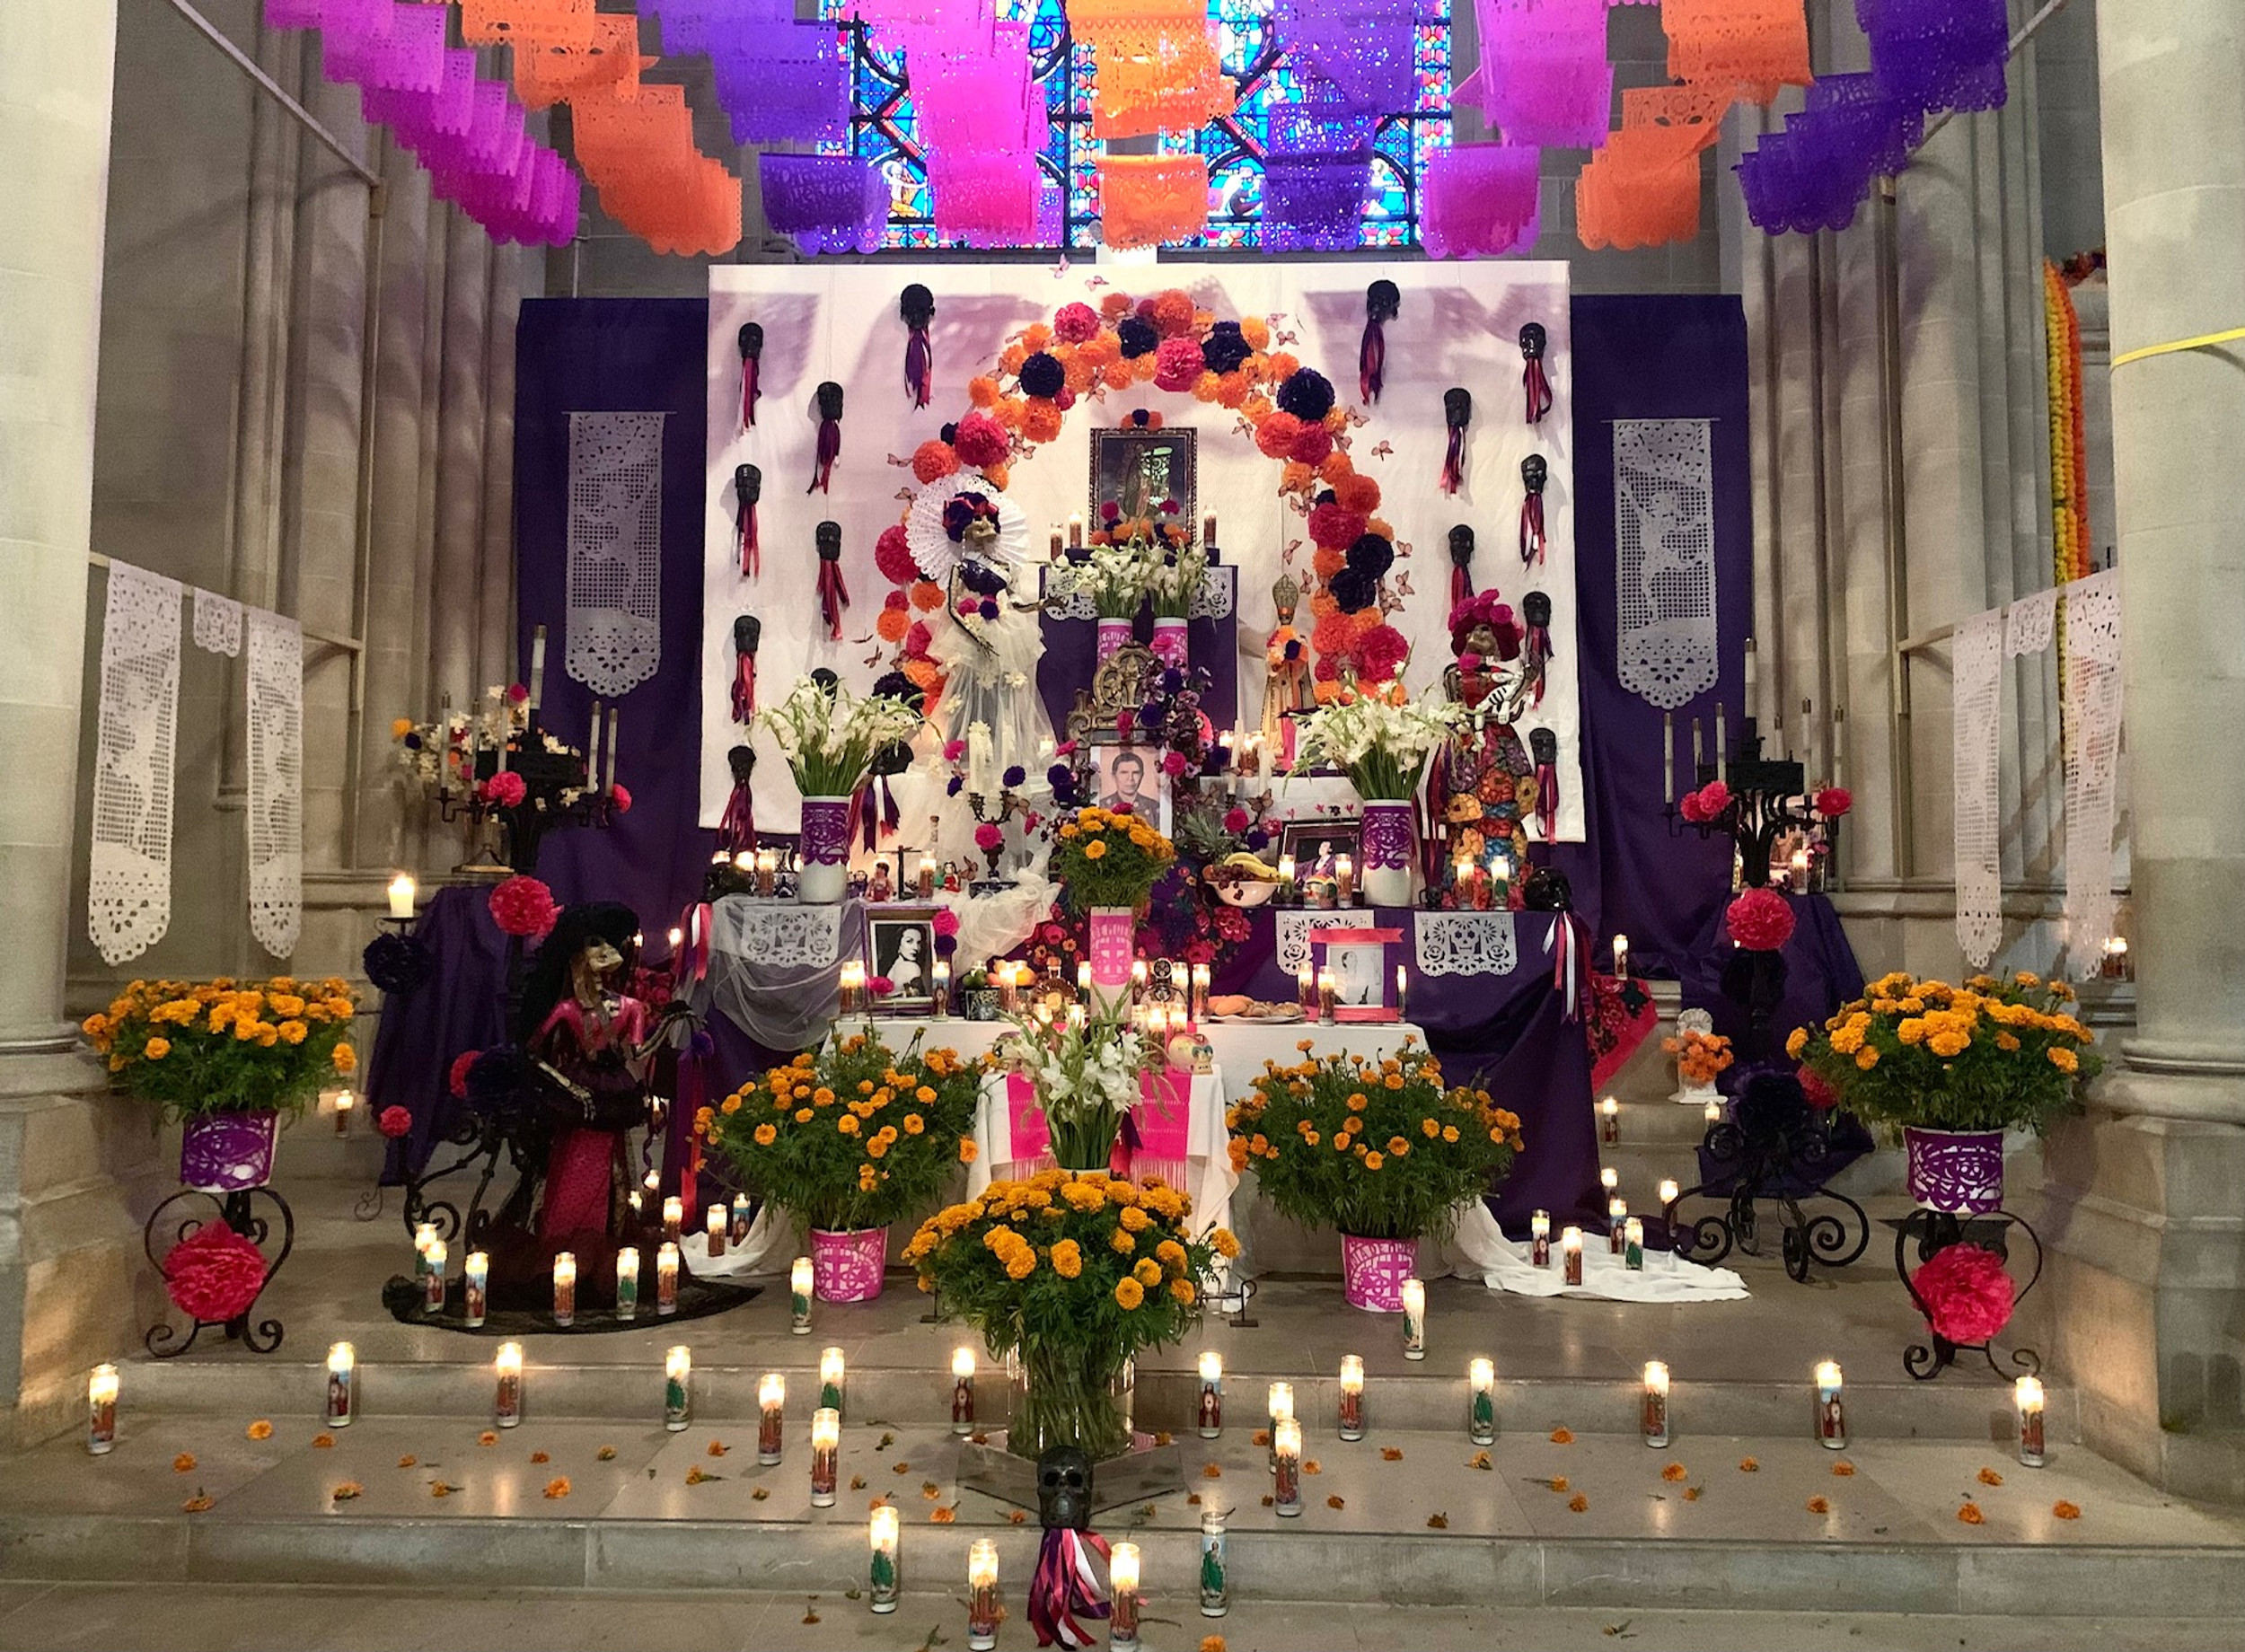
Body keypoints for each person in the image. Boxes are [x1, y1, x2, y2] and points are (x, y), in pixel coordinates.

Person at [1100, 748, 1158, 815]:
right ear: (1113, 776)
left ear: (1141, 776)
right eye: (1124, 773)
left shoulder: (1154, 808)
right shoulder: (1102, 806)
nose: (1130, 778)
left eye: (1135, 773)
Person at [887, 926, 927, 994]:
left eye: (918, 943)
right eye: (909, 941)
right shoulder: (911, 967)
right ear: (898, 944)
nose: (916, 948)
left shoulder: (896, 966)